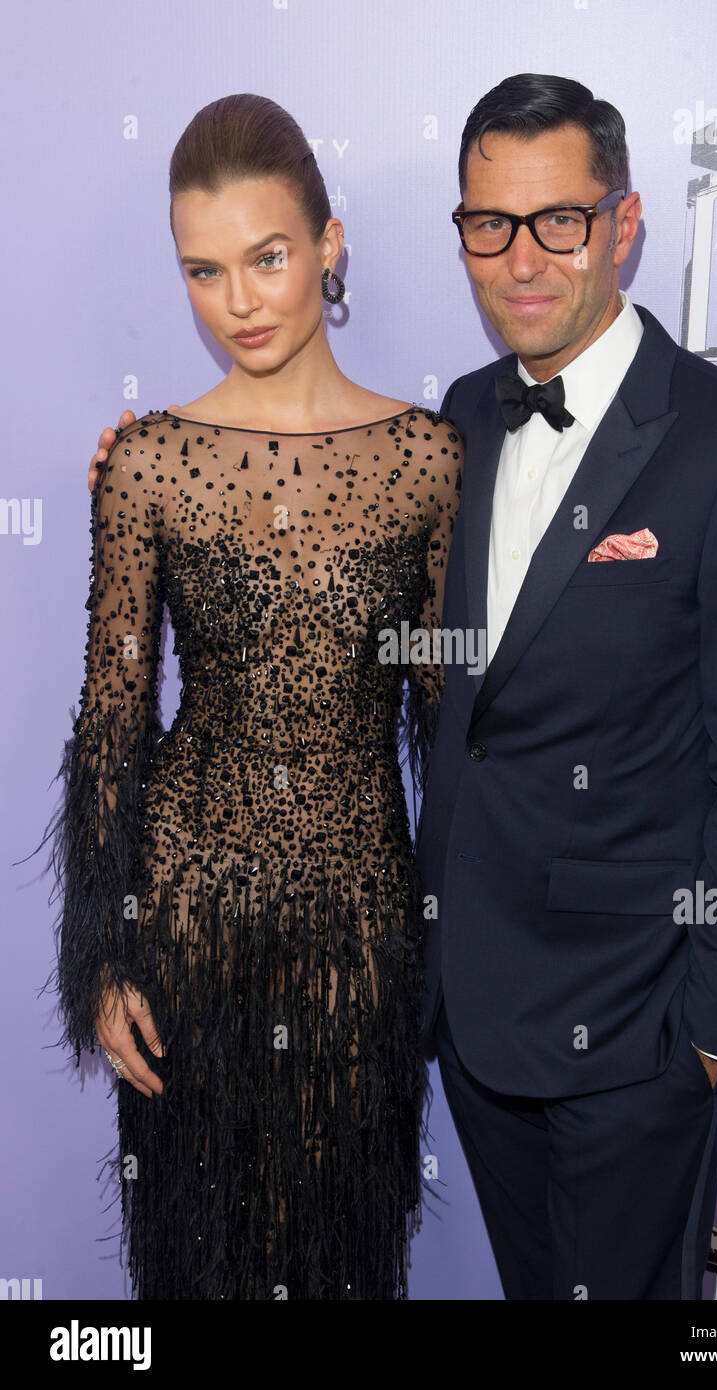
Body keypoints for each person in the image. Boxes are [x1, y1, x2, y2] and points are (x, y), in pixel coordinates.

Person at [412, 74, 717, 1299]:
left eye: (560, 219)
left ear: (625, 223)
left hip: (639, 1033)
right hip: (476, 1018)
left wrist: (709, 1031)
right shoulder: (461, 421)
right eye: (489, 223)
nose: (522, 259)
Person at [50, 92, 461, 1300]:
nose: (239, 300)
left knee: (340, 1258)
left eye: (268, 257)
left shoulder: (432, 460)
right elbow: (112, 719)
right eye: (203, 270)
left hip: (359, 929)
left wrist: (456, 948)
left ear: (327, 247)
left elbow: (449, 735)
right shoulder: (146, 461)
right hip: (188, 916)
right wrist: (102, 959)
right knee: (197, 1261)